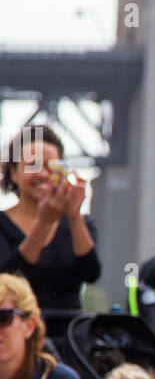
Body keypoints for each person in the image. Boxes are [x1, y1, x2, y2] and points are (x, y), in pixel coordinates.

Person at [0, 124, 100, 344]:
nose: (43, 174)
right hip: (14, 332)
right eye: (32, 166)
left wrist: (74, 217)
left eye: (51, 166)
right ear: (14, 172)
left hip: (70, 335)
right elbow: (11, 279)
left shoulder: (80, 222)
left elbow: (91, 272)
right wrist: (44, 222)